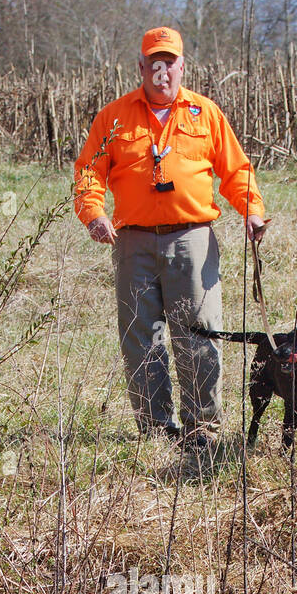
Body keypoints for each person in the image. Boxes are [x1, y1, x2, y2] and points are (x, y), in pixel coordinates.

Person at [74, 26, 267, 449]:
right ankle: (157, 431)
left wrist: (251, 210)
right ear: (141, 67)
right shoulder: (114, 116)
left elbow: (236, 170)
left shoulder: (206, 113)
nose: (162, 73)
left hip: (192, 239)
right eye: (154, 64)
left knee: (199, 332)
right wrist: (93, 214)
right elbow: (89, 170)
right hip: (132, 242)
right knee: (141, 337)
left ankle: (202, 431)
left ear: (182, 66)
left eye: (170, 64)